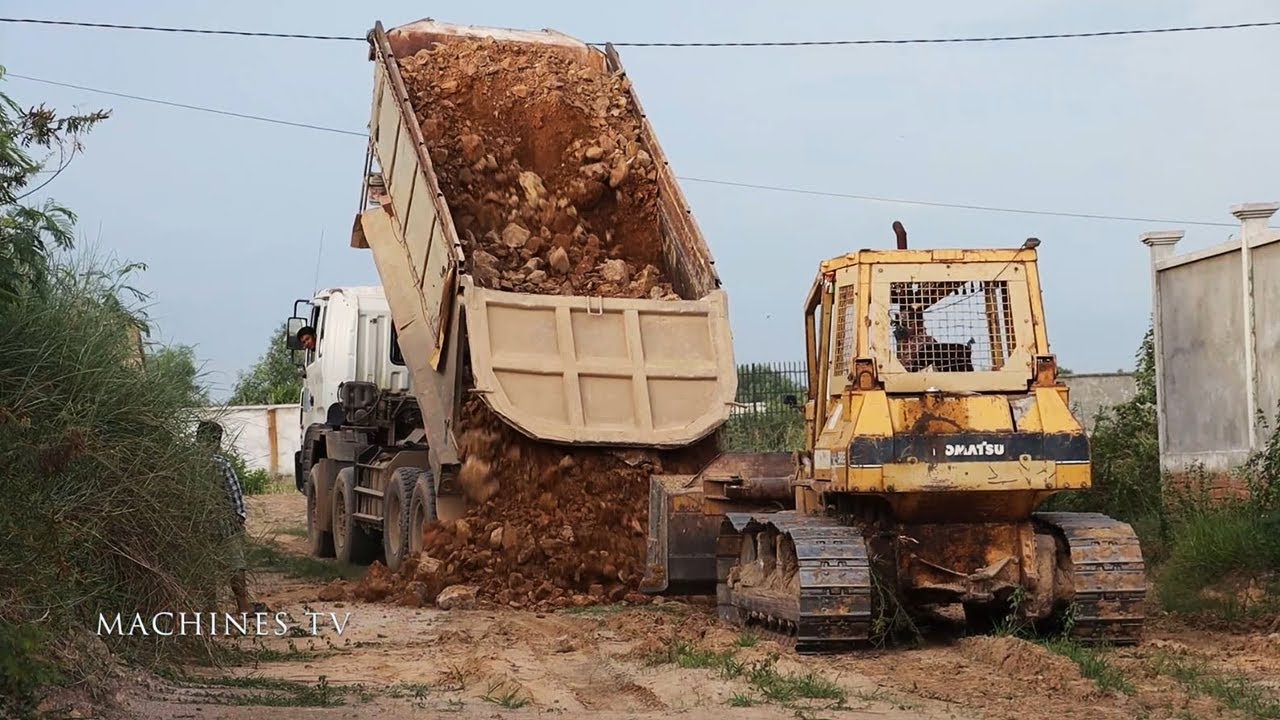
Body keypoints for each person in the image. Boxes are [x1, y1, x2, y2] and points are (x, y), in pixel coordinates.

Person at [197, 421, 258, 614]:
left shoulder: (188, 464)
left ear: (198, 438)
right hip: (226, 526)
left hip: (198, 525)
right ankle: (243, 606)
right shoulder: (222, 464)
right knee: (236, 565)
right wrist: (239, 521)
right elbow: (235, 497)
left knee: (206, 568)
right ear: (217, 441)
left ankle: (210, 609)